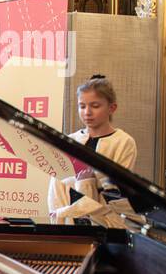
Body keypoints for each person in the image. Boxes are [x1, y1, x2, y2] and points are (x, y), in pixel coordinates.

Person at [47, 74, 138, 226]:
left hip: (106, 226)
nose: (87, 112)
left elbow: (116, 194)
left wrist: (86, 183)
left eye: (95, 106)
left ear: (112, 107)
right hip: (70, 225)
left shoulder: (123, 142)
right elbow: (56, 188)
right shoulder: (70, 141)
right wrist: (60, 218)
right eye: (82, 106)